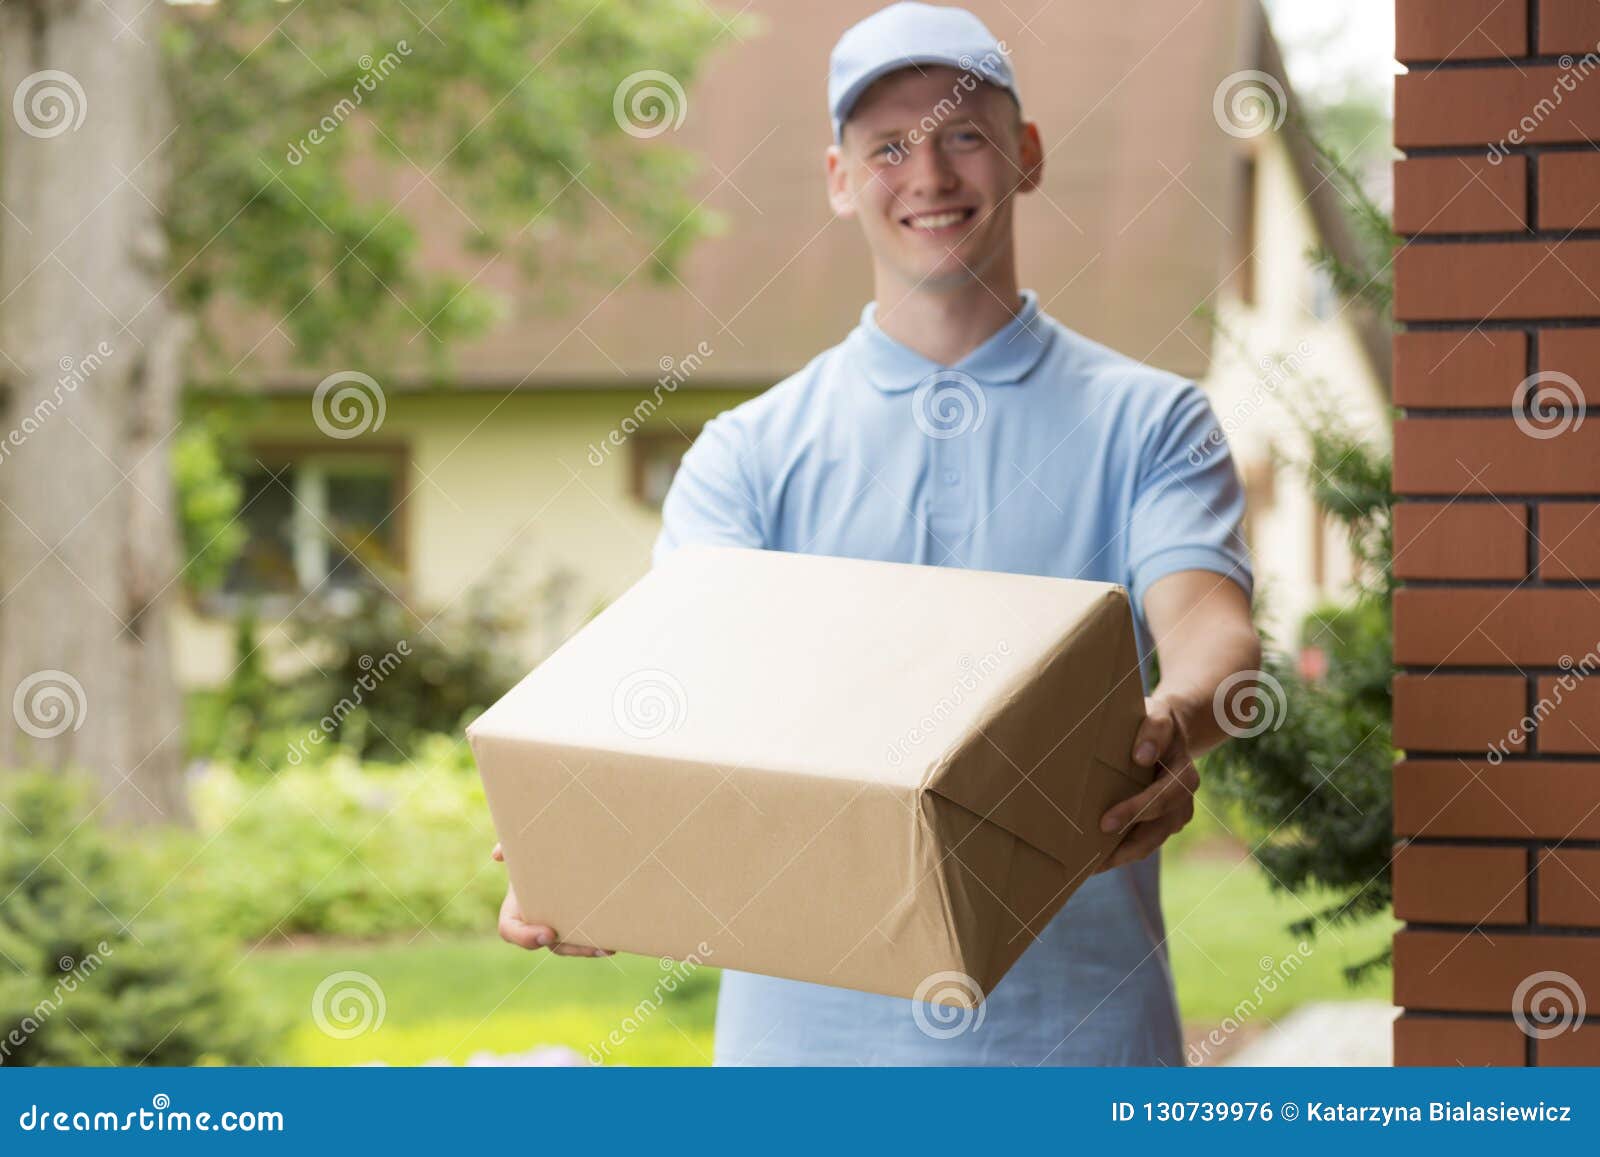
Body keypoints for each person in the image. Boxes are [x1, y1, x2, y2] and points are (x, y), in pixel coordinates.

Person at [497, 1, 1262, 1066]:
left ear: (1027, 154)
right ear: (838, 177)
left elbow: (1213, 636)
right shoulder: (747, 450)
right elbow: (676, 694)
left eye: (964, 135)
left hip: (1077, 1044)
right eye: (888, 147)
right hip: (803, 1061)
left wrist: (1168, 727)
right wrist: (584, 842)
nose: (928, 175)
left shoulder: (1152, 420)